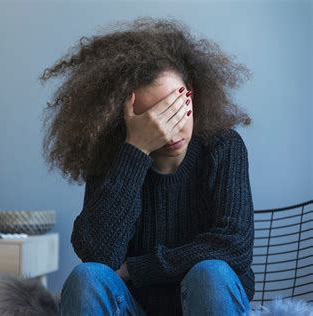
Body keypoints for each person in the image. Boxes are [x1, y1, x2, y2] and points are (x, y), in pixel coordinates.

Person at [39, 17, 255, 316]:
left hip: (206, 302)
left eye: (175, 110)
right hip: (133, 308)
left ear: (190, 93)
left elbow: (234, 246)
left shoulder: (222, 147)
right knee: (86, 276)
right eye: (152, 118)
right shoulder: (115, 157)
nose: (169, 131)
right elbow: (99, 256)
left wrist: (134, 269)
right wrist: (136, 150)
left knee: (211, 273)